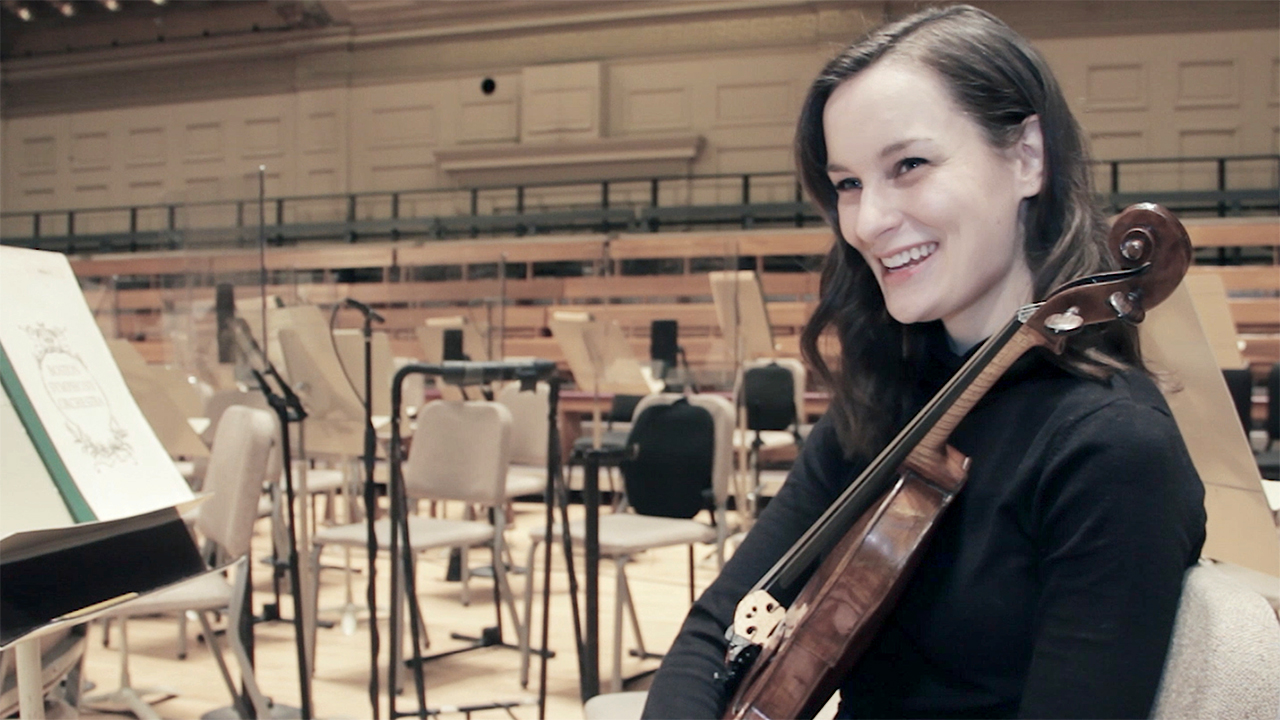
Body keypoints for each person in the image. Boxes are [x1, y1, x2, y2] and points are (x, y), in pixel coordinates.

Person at [642, 5, 1206, 719]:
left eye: (908, 165)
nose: (868, 221)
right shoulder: (888, 401)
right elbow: (714, 633)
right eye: (847, 183)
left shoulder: (1111, 451)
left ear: (1028, 155)